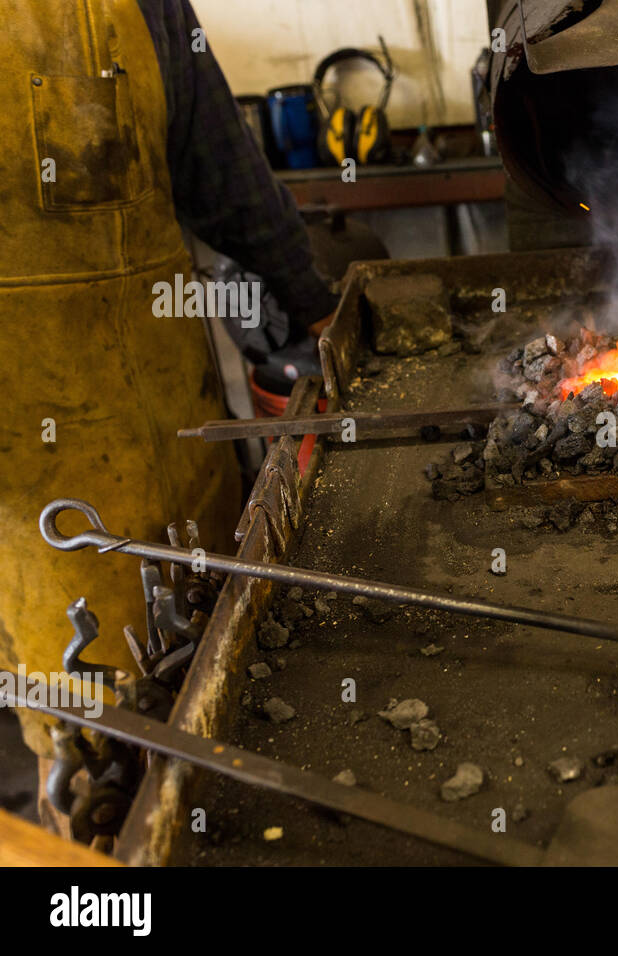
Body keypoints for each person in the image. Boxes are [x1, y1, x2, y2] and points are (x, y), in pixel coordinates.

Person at [0, 0, 336, 826]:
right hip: (38, 481)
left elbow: (227, 179)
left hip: (182, 431)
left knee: (240, 688)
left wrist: (318, 310)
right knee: (100, 752)